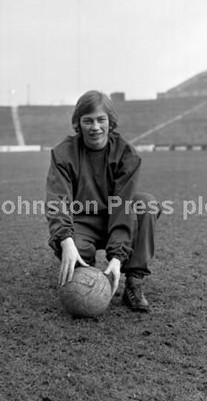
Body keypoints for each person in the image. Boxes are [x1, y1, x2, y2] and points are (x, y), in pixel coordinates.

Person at [45, 90, 161, 312]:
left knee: (146, 203)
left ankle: (134, 283)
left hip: (116, 217)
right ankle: (87, 270)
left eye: (101, 120)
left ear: (111, 122)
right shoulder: (63, 153)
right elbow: (56, 199)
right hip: (82, 221)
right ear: (78, 123)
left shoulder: (126, 154)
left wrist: (117, 257)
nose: (95, 127)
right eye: (87, 121)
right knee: (77, 255)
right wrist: (65, 240)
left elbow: (123, 206)